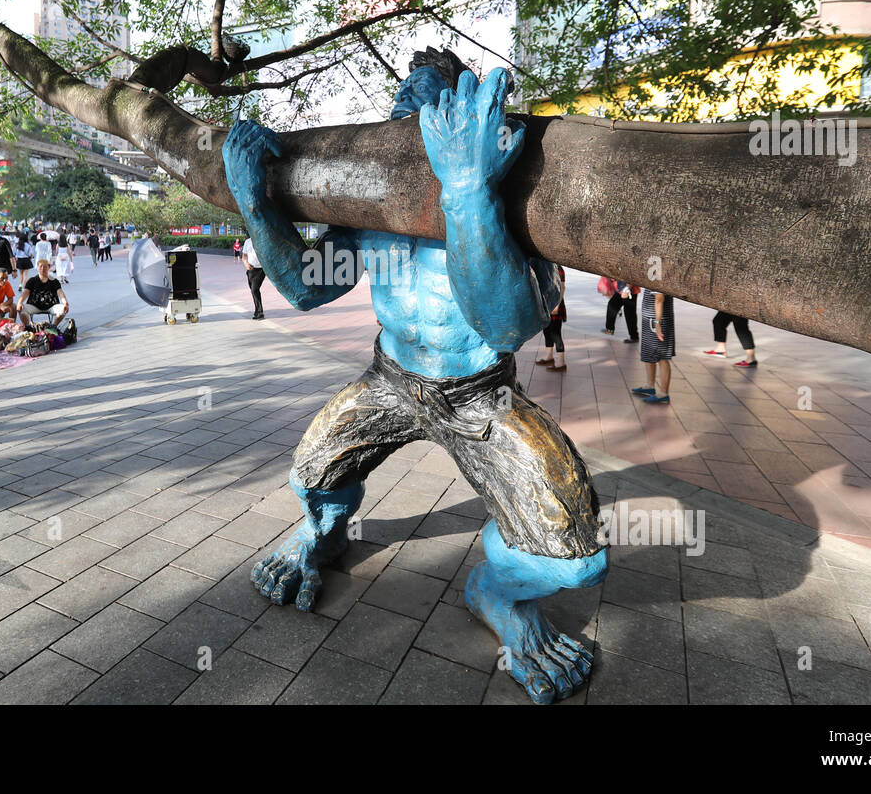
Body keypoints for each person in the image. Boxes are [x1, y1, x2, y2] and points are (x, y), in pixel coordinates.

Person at [223, 50, 604, 705]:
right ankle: (323, 532)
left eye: (426, 118)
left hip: (480, 394)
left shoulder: (515, 197)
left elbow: (506, 324)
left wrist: (466, 190)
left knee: (573, 550)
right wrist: (253, 203)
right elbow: (307, 290)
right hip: (392, 379)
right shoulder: (368, 208)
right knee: (312, 468)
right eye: (403, 116)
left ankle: (499, 593)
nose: (411, 135)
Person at [633, 289, 675, 403]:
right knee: (649, 353)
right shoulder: (653, 272)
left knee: (662, 357)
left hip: (657, 321)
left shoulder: (657, 273)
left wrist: (657, 324)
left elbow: (659, 299)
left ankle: (663, 394)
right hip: (651, 320)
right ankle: (650, 386)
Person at [17, 258, 70, 327]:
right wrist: (19, 303)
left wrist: (65, 302)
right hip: (34, 306)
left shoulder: (54, 281)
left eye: (45, 266)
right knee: (20, 308)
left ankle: (53, 326)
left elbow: (60, 293)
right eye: (40, 266)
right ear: (37, 268)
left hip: (51, 306)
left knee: (63, 309)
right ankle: (28, 327)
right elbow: (25, 293)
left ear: (49, 267)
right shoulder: (32, 281)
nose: (42, 268)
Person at [535, 266, 567, 372]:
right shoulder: (546, 266)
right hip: (546, 305)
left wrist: (557, 305)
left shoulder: (559, 269)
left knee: (556, 334)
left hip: (555, 305)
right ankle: (549, 357)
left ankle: (561, 363)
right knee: (547, 332)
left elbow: (562, 288)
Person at [603, 278, 640, 343]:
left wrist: (627, 289)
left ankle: (634, 337)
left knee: (630, 314)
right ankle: (610, 329)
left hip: (629, 290)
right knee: (612, 305)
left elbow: (631, 275)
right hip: (622, 289)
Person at [242, 234, 265, 319]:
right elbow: (244, 256)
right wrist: (246, 264)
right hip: (250, 269)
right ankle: (257, 310)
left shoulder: (263, 240)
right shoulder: (248, 242)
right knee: (254, 291)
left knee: (254, 289)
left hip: (261, 269)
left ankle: (260, 312)